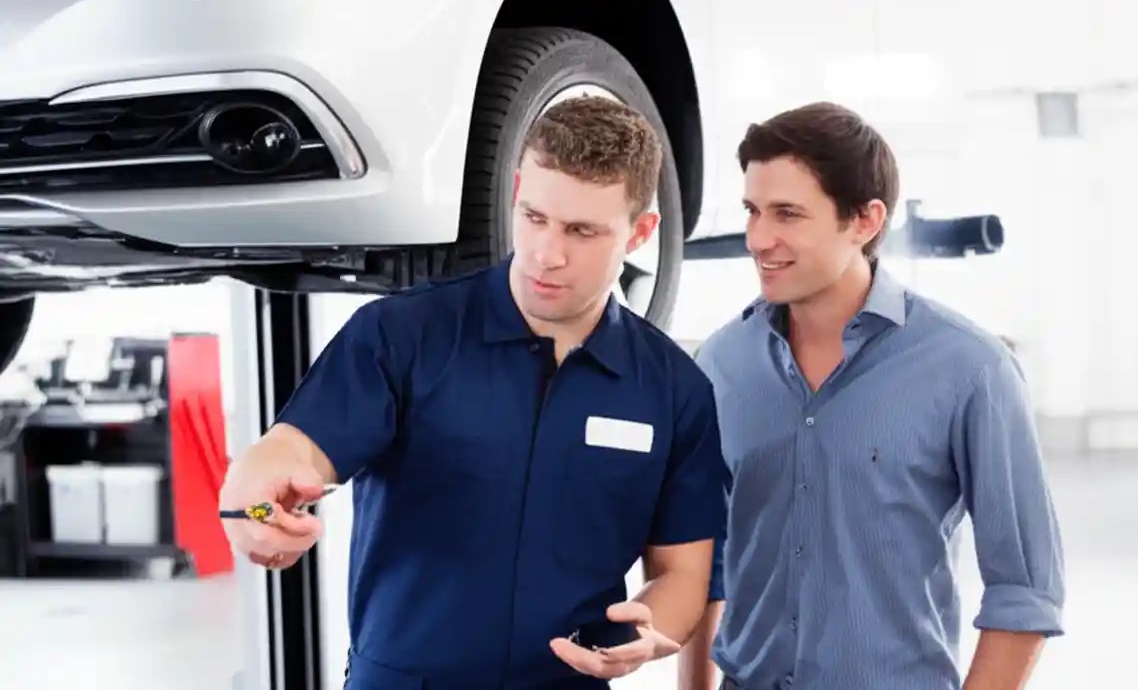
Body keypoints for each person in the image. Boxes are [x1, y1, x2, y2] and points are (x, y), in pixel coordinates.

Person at [218, 96, 730, 689]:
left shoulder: (675, 390)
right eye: (535, 216)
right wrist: (252, 495)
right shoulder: (401, 336)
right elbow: (294, 452)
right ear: (516, 189)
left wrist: (646, 635)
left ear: (640, 232)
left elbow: (684, 574)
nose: (547, 253)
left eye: (582, 231)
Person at [678, 102, 1066, 690]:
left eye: (787, 214)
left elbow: (1025, 590)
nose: (759, 238)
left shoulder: (970, 369)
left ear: (863, 220)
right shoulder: (722, 364)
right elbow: (709, 564)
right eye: (753, 211)